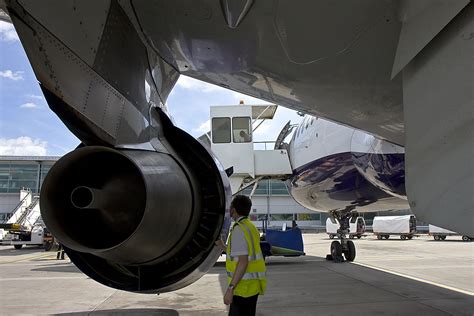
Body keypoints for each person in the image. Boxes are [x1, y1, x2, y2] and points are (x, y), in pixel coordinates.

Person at [216, 195, 266, 316]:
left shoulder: (239, 229)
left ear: (234, 209)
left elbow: (243, 262)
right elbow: (242, 253)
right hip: (251, 286)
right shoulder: (250, 226)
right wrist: (223, 246)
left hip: (242, 288)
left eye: (231, 206)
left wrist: (230, 289)